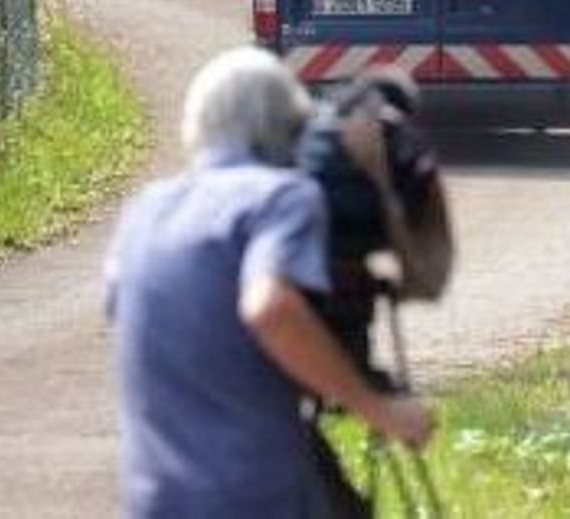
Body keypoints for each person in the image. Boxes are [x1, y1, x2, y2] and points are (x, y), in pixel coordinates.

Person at [104, 47, 435, 518]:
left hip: (154, 499)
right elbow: (270, 308)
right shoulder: (280, 198)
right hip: (256, 497)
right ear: (288, 127)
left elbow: (142, 316)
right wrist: (379, 408)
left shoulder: (145, 211)